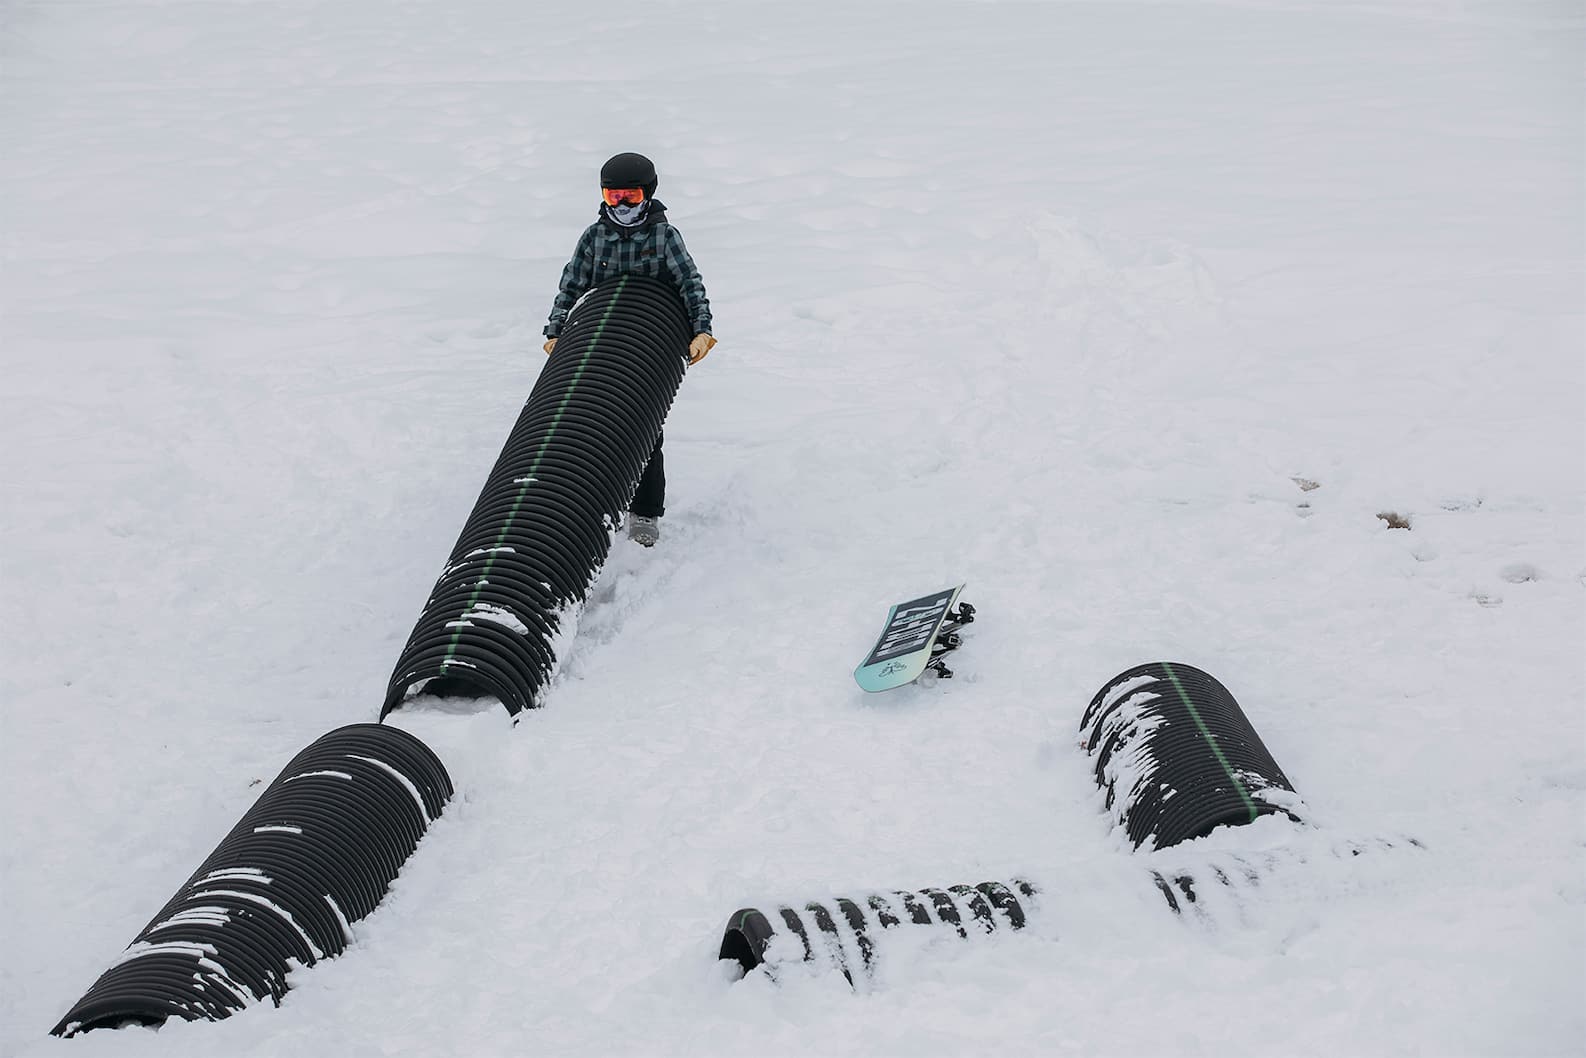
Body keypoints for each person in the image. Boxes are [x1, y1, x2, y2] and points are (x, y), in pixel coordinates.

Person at [542, 152, 714, 548]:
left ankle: (646, 513)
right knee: (595, 423)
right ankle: (595, 500)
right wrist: (555, 330)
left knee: (643, 429)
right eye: (613, 195)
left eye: (630, 197)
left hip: (647, 348)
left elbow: (690, 284)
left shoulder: (663, 237)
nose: (620, 205)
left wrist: (701, 330)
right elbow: (571, 285)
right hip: (599, 345)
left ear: (648, 196)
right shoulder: (593, 236)